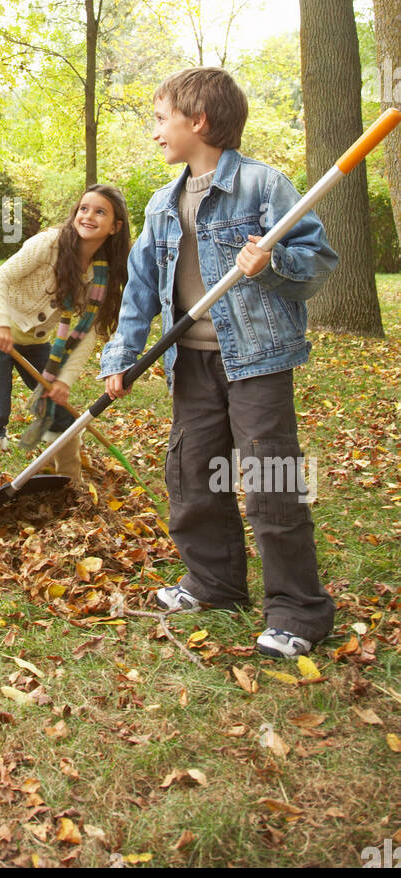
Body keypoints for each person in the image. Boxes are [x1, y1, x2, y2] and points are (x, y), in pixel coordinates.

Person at [100, 67, 338, 659]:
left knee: (269, 481)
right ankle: (214, 581)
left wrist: (273, 259)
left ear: (198, 121)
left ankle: (298, 611)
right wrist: (122, 355)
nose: (155, 132)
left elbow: (318, 258)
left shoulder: (262, 186)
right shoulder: (161, 205)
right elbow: (139, 292)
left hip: (255, 361)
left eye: (161, 119)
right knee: (191, 472)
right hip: (191, 364)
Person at [0, 186, 131, 494]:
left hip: (36, 344)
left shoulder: (100, 274)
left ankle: (69, 484)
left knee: (60, 409)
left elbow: (87, 333)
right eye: (84, 208)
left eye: (100, 212)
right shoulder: (50, 243)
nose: (88, 216)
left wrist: (64, 380)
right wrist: (1, 324)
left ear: (115, 226)